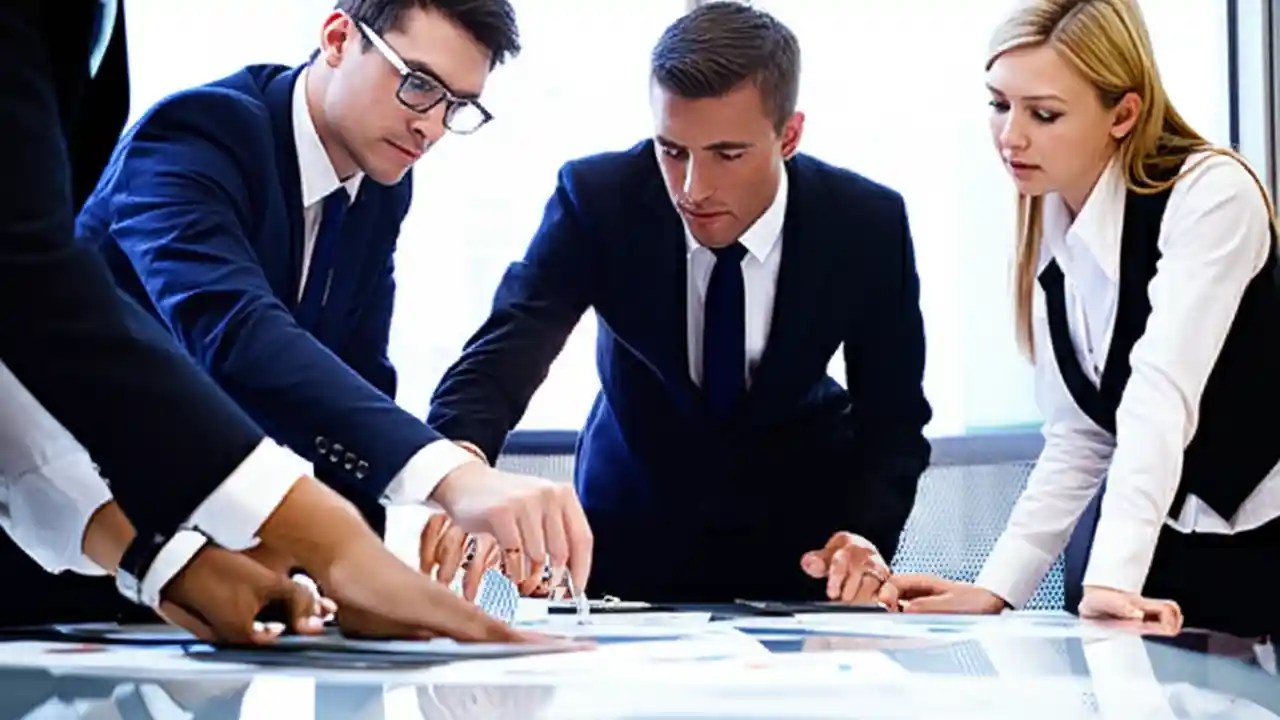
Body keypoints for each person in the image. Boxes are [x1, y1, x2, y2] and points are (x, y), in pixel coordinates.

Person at [0, 0, 543, 644]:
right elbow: (233, 331)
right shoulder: (198, 132)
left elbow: (356, 375)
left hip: (212, 580)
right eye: (418, 84)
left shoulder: (381, 185)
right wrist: (449, 475)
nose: (431, 127)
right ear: (339, 39)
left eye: (457, 106)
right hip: (54, 559)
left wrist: (370, 562)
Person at [427, 1, 932, 603]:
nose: (693, 188)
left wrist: (864, 534)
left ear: (788, 135)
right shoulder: (598, 199)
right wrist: (460, 469)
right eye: (672, 150)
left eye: (727, 154)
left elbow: (893, 417)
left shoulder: (864, 223)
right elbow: (507, 348)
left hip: (801, 552)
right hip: (624, 541)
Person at [885, 0, 1280, 641]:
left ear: (1123, 114)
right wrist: (996, 587)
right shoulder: (1049, 214)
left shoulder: (1211, 193)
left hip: (1261, 535)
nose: (1011, 136)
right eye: (998, 104)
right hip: (1156, 547)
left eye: (1043, 114)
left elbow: (1158, 398)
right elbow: (1079, 435)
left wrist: (1114, 580)